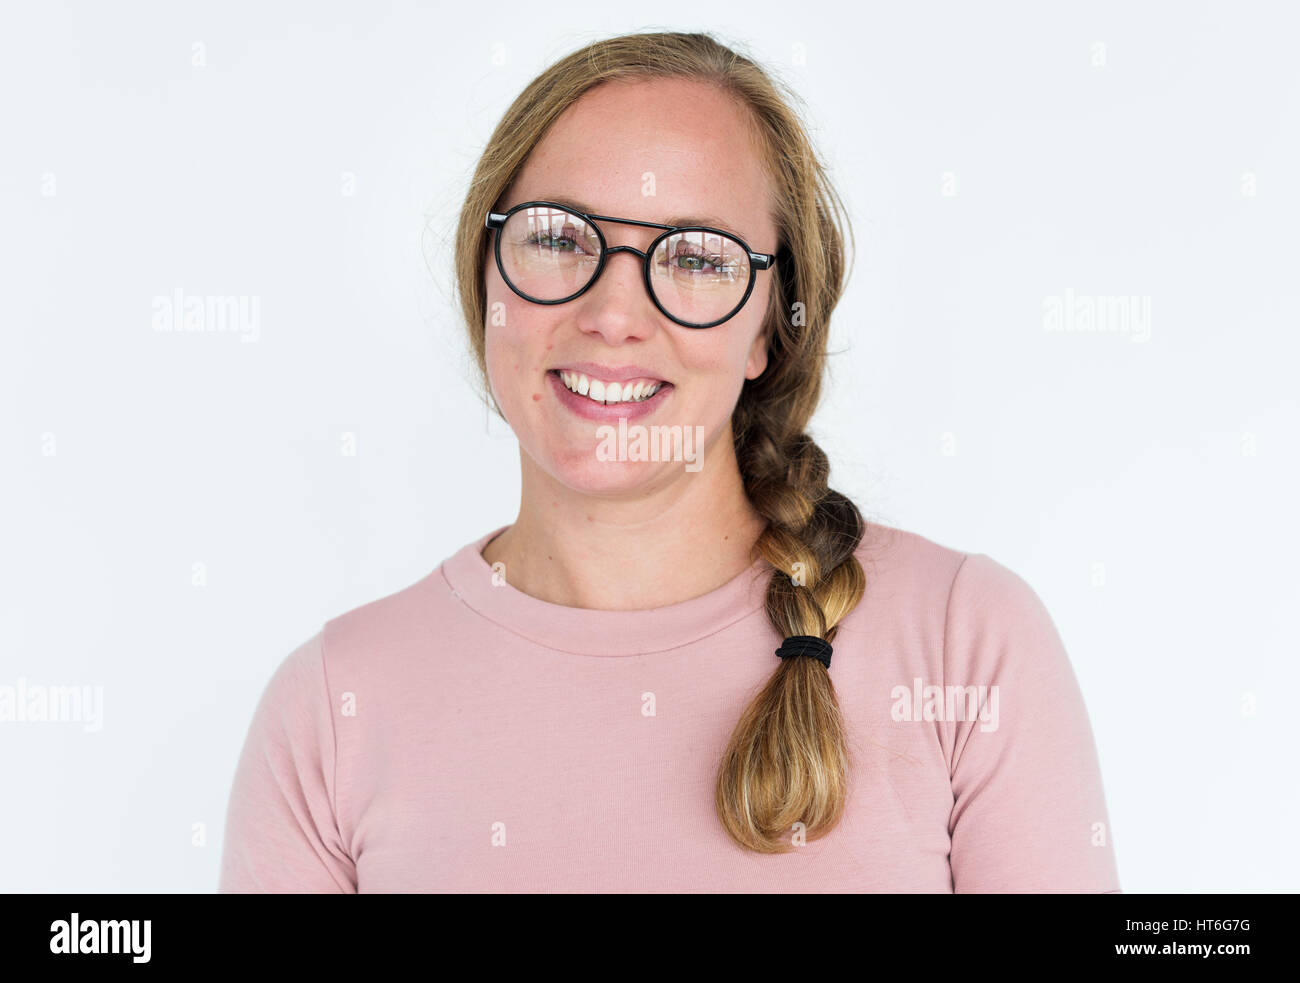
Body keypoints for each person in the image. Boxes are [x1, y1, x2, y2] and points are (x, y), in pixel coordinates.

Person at [218, 30, 1120, 892]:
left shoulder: (967, 644)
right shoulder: (331, 708)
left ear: (771, 326)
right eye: (558, 237)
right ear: (486, 274)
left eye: (694, 256)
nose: (613, 312)